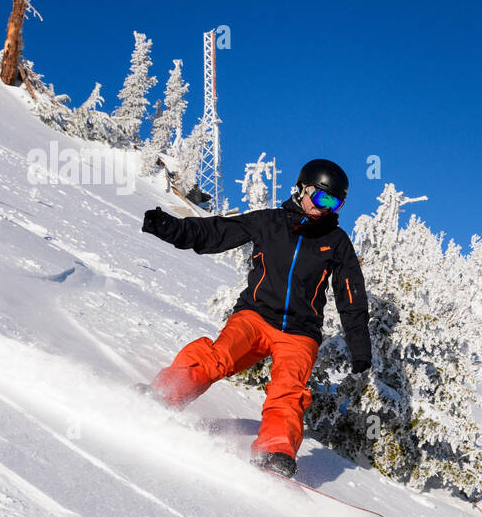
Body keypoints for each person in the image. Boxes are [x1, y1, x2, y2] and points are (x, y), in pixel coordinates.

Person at [140, 158, 371, 478]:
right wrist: (173, 228)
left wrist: (359, 346)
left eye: (334, 203)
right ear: (302, 189)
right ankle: (167, 392)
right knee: (217, 356)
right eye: (321, 198)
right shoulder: (270, 222)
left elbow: (351, 295)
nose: (325, 209)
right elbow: (217, 232)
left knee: (289, 390)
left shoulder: (336, 241)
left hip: (300, 333)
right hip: (255, 316)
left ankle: (274, 450)